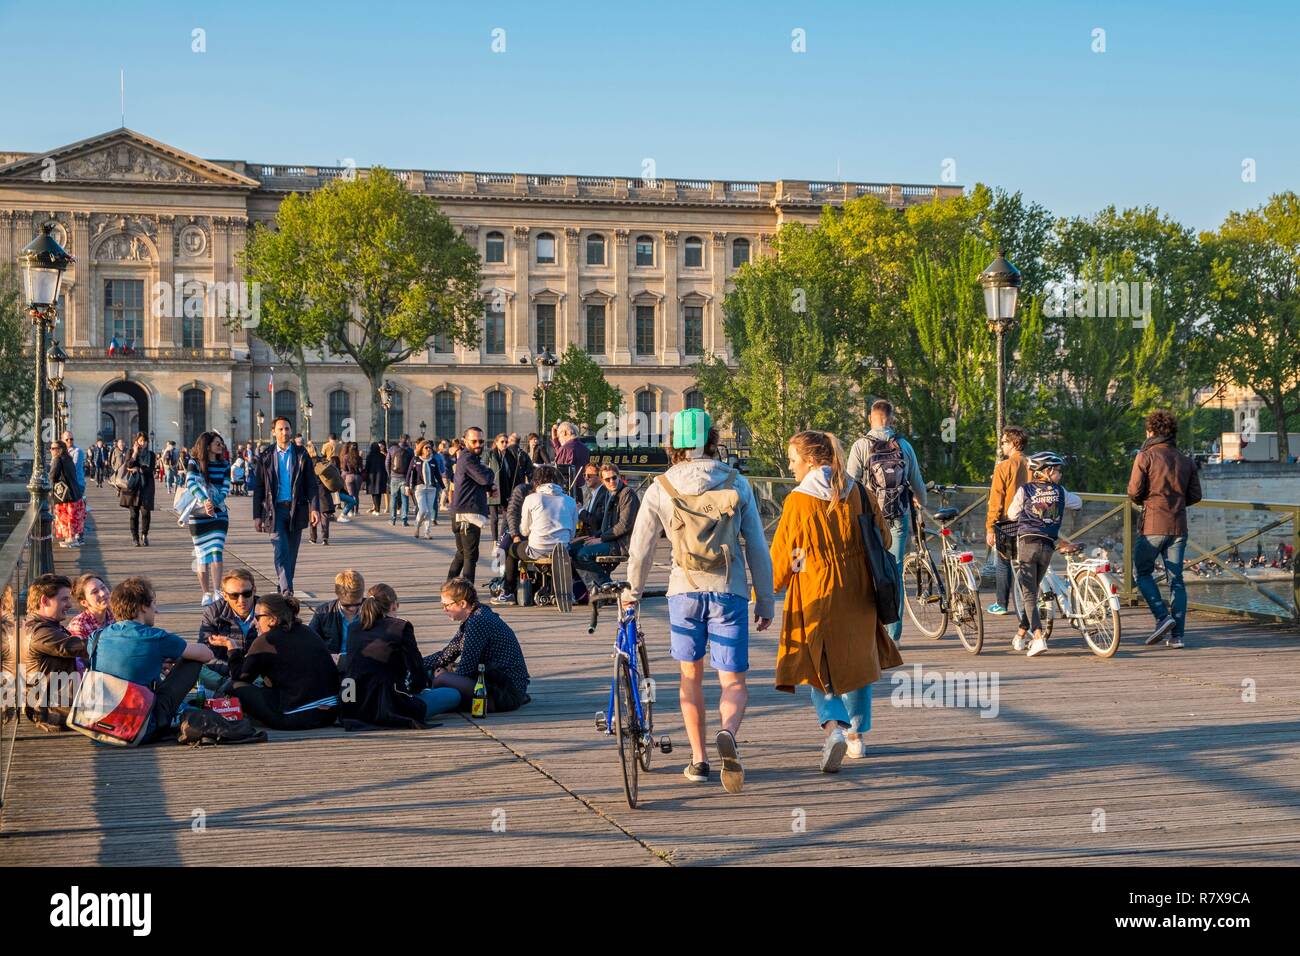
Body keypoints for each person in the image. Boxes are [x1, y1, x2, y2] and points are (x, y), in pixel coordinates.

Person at [625, 408, 774, 793]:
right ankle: (728, 732)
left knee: (689, 678)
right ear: (712, 440)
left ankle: (699, 759)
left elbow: (639, 550)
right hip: (730, 590)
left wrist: (632, 595)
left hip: (683, 592)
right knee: (734, 681)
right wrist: (765, 600)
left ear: (674, 443)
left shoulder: (661, 487)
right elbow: (756, 545)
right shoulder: (737, 483)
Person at [771, 430, 905, 771]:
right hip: (860, 588)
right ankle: (857, 737)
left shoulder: (798, 500)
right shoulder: (857, 490)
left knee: (821, 666)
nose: (790, 467)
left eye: (793, 460)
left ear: (811, 461)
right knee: (859, 660)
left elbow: (786, 554)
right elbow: (885, 537)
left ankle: (833, 728)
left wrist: (766, 590)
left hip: (817, 590)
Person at [88, 577, 215, 743]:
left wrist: (153, 660)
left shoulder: (96, 637)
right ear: (142, 606)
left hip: (97, 726)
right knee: (192, 661)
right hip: (139, 729)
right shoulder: (155, 637)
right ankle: (165, 720)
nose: (156, 610)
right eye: (153, 604)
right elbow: (206, 654)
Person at [846, 400, 926, 643]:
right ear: (891, 419)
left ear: (871, 418)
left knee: (868, 569)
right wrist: (921, 502)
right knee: (894, 570)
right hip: (897, 515)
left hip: (869, 519)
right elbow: (917, 482)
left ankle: (870, 629)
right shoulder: (903, 445)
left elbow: (850, 484)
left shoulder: (861, 446)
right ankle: (893, 635)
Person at [1128, 409, 1202, 649]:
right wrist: (1176, 503)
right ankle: (1177, 636)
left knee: (1142, 572)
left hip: (1153, 524)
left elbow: (1134, 492)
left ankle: (1162, 616)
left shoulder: (1145, 456)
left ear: (1150, 431)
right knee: (1176, 579)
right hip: (1179, 525)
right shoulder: (1185, 459)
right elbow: (1195, 495)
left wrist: (1149, 502)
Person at [339, 584, 448, 727]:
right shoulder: (401, 627)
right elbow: (417, 670)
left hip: (356, 704)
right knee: (451, 694)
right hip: (390, 703)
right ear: (393, 606)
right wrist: (416, 690)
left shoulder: (353, 628)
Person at [1007, 451, 1083, 658]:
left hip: (1027, 544)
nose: (1059, 474)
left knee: (1030, 594)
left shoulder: (1025, 489)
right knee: (1032, 592)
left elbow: (1011, 514)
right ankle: (1021, 634)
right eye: (1057, 470)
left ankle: (1038, 638)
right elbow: (1078, 503)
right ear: (1046, 471)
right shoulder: (1060, 491)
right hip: (1048, 547)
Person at [232, 594, 341, 730]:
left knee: (237, 687)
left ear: (272, 620)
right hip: (330, 713)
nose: (254, 622)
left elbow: (242, 676)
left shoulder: (265, 640)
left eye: (258, 617)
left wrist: (233, 651)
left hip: (295, 717)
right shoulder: (307, 631)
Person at [426, 577, 531, 713]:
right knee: (440, 672)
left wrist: (443, 674)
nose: (444, 609)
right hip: (499, 684)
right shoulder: (476, 615)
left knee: (441, 679)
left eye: (447, 605)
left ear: (462, 603)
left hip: (503, 692)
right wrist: (415, 664)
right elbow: (447, 654)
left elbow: (466, 669)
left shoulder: (478, 623)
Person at [251, 416, 321, 595]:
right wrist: (257, 515)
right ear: (273, 432)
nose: (285, 432)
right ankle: (286, 591)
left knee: (291, 554)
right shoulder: (266, 456)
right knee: (280, 550)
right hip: (274, 510)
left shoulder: (301, 454)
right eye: (281, 429)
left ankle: (283, 584)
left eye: (287, 429)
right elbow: (259, 486)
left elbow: (311, 484)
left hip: (296, 509)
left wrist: (314, 508)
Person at [21, 573, 87, 730]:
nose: (70, 605)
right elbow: (83, 647)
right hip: (53, 711)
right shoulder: (39, 633)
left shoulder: (44, 625)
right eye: (64, 599)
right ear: (44, 600)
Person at [571, 462, 639, 589]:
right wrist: (593, 537)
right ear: (603, 480)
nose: (612, 481)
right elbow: (605, 525)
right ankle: (594, 589)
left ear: (619, 477)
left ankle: (606, 587)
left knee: (582, 554)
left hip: (621, 544)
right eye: (607, 479)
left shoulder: (627, 493)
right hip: (610, 539)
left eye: (614, 477)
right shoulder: (609, 494)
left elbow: (624, 525)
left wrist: (601, 539)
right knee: (572, 550)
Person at [984, 426, 1030, 615]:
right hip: (1031, 520)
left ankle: (1001, 604)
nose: (1001, 446)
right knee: (1028, 562)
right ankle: (1030, 600)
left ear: (1013, 443)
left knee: (1004, 562)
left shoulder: (1003, 467)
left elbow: (996, 501)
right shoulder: (1032, 464)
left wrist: (990, 528)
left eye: (1003, 442)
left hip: (1008, 522)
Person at [186, 431, 232, 606]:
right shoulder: (194, 463)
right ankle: (206, 592)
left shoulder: (225, 465)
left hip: (219, 514)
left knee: (216, 551)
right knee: (201, 554)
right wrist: (205, 501)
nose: (221, 446)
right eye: (217, 444)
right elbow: (191, 483)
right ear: (207, 446)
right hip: (198, 515)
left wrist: (214, 502)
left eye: (221, 443)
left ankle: (217, 590)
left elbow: (225, 488)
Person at [448, 427, 495, 583]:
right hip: (467, 514)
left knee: (462, 554)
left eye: (481, 441)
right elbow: (484, 478)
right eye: (474, 441)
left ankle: (449, 586)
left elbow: (476, 481)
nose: (478, 444)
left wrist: (489, 486)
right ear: (464, 441)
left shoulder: (468, 459)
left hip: (461, 513)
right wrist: (490, 474)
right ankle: (468, 592)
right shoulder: (468, 458)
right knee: (470, 555)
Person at [308, 569, 366, 667]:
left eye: (357, 604)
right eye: (347, 605)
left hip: (364, 663)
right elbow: (310, 642)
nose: (352, 608)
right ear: (338, 595)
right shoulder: (323, 613)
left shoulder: (373, 611)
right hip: (333, 666)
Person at [119, 432, 157, 547]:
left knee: (146, 513)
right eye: (140, 441)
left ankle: (144, 534)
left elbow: (151, 470)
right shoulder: (130, 452)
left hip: (146, 487)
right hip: (133, 488)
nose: (143, 443)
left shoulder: (151, 455)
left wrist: (139, 469)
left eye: (145, 441)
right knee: (133, 515)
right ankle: (135, 538)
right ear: (136, 442)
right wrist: (135, 453)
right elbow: (128, 466)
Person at [49, 439, 85, 549]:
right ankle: (73, 538)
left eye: (54, 448)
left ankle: (70, 539)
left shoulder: (57, 459)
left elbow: (53, 476)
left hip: (64, 495)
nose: (51, 451)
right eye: (51, 448)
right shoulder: (68, 458)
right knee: (72, 516)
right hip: (74, 492)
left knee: (65, 517)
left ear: (60, 450)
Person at [407, 439, 445, 539]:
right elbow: (409, 473)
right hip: (419, 488)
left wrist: (443, 488)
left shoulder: (433, 461)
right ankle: (417, 525)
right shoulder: (416, 460)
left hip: (431, 489)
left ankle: (427, 532)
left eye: (430, 448)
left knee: (429, 511)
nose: (429, 449)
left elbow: (438, 475)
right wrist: (408, 486)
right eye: (426, 447)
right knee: (423, 510)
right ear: (422, 449)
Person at [68, 573, 114, 645]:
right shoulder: (79, 625)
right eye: (95, 592)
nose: (102, 593)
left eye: (103, 587)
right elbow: (78, 655)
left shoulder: (115, 614)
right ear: (84, 602)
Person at [550, 421, 590, 496]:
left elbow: (559, 470)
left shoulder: (565, 448)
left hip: (568, 490)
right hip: (581, 488)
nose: (559, 439)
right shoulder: (584, 448)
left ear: (564, 433)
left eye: (559, 436)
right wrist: (555, 440)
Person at [486, 433, 511, 540]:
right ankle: (494, 540)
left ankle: (501, 537)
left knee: (507, 515)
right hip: (494, 488)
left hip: (506, 488)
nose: (505, 444)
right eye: (502, 442)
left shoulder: (509, 455)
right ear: (496, 443)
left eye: (506, 442)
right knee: (494, 517)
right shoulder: (490, 454)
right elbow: (484, 469)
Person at [387, 434, 415, 527]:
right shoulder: (410, 451)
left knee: (393, 498)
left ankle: (393, 519)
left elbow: (387, 463)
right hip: (405, 477)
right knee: (404, 498)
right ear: (407, 440)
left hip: (394, 477)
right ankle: (404, 520)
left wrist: (390, 474)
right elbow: (412, 466)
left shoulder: (392, 449)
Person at [341, 442, 364, 519]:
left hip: (349, 477)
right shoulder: (359, 458)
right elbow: (361, 469)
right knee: (356, 495)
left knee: (350, 495)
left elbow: (344, 468)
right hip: (358, 477)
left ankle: (350, 511)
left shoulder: (346, 457)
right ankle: (356, 511)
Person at [363, 441, 387, 514]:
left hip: (371, 476)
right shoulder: (382, 456)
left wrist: (365, 476)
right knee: (379, 493)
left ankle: (376, 509)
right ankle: (377, 509)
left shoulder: (369, 456)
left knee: (373, 493)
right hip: (381, 476)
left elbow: (367, 467)